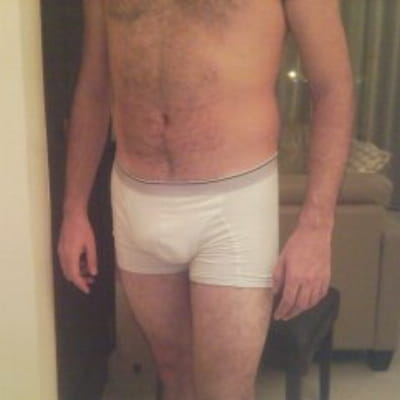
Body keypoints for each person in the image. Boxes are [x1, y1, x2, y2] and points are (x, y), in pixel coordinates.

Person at [57, 1, 354, 399]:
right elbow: (94, 85)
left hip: (233, 206)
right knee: (172, 372)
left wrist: (316, 229)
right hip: (136, 197)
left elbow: (333, 87)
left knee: (226, 390)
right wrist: (74, 209)